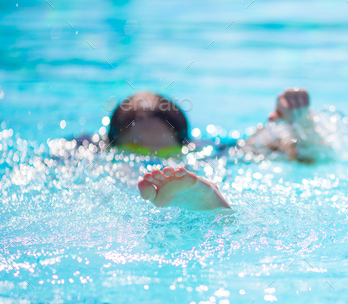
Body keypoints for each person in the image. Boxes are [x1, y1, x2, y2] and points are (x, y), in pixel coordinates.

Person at [106, 88, 325, 213]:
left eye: (166, 153)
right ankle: (209, 204)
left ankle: (205, 197)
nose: (153, 162)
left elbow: (302, 157)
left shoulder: (210, 153)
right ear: (110, 146)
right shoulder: (87, 150)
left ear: (186, 147)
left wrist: (300, 123)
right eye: (134, 150)